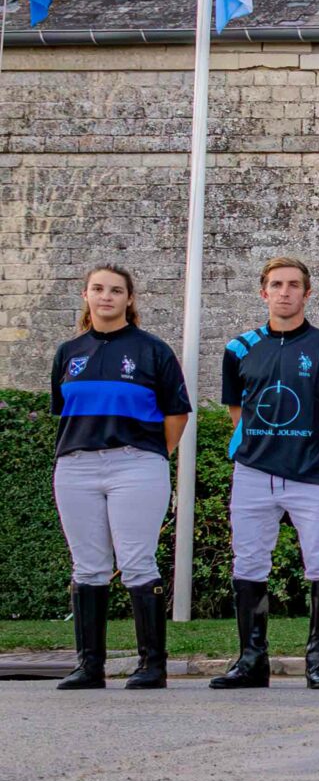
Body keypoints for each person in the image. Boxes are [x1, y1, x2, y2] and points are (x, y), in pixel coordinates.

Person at [212, 257, 319, 691]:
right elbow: (238, 409)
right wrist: (260, 445)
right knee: (250, 563)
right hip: (253, 471)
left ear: (307, 294)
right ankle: (252, 660)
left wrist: (318, 445)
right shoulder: (239, 348)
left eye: (294, 285)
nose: (285, 292)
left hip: (311, 472)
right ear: (263, 292)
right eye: (277, 285)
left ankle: (318, 662)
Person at [50, 265, 190, 690]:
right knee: (88, 566)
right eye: (97, 289)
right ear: (85, 295)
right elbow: (63, 408)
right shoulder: (68, 353)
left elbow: (177, 413)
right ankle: (89, 666)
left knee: (136, 562)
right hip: (75, 466)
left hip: (136, 464)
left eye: (115, 290)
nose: (105, 297)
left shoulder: (152, 350)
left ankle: (152, 665)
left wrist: (151, 456)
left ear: (130, 299)